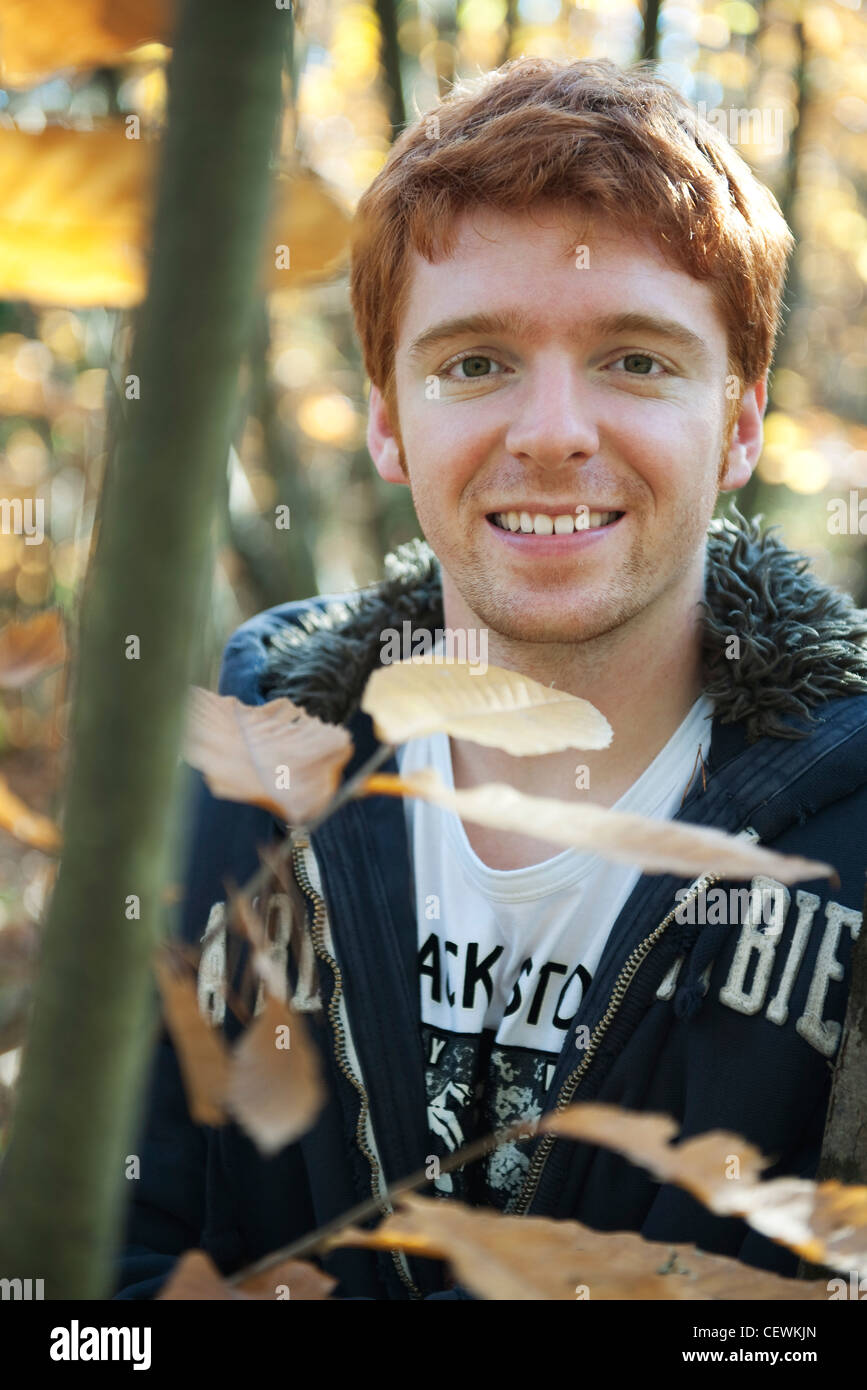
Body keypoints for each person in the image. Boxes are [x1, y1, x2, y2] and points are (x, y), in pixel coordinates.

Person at [115, 57, 867, 1301]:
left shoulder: (852, 834)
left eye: (636, 360)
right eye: (475, 363)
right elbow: (107, 1257)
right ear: (388, 422)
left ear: (740, 422)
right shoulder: (241, 773)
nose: (552, 432)